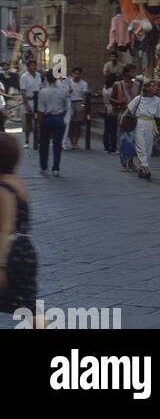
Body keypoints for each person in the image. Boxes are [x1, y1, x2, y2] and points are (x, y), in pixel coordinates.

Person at [0, 133, 39, 325]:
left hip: (12, 254)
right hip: (25, 250)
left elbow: (5, 229)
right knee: (29, 307)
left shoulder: (4, 188)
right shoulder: (17, 182)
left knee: (28, 309)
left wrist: (1, 267)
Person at [127, 80, 160, 182]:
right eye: (153, 86)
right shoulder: (139, 98)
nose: (155, 88)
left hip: (150, 124)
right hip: (139, 123)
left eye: (155, 86)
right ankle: (146, 168)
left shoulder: (157, 100)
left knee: (148, 148)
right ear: (147, 88)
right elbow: (128, 110)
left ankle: (141, 168)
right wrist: (123, 120)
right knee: (141, 146)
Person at [37, 71, 70, 177]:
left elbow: (41, 110)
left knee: (44, 144)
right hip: (59, 118)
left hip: (47, 118)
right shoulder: (63, 91)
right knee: (57, 145)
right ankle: (56, 168)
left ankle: (44, 167)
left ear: (47, 79)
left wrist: (39, 123)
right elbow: (66, 108)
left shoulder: (43, 92)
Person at [19, 59, 42, 149]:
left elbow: (40, 87)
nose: (34, 67)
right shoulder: (24, 76)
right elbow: (23, 92)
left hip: (38, 100)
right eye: (32, 65)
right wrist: (27, 105)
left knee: (38, 121)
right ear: (28, 67)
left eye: (35, 65)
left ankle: (39, 140)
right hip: (29, 100)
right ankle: (27, 141)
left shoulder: (38, 75)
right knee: (28, 122)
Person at [66, 67, 89, 149]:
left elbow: (84, 96)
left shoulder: (84, 84)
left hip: (79, 102)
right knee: (71, 124)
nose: (77, 75)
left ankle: (76, 142)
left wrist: (83, 105)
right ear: (72, 74)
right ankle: (72, 142)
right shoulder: (68, 82)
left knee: (77, 124)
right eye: (75, 73)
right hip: (70, 102)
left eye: (78, 74)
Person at [101, 73, 119, 153]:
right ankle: (113, 147)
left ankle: (106, 147)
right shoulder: (113, 89)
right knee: (113, 129)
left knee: (107, 129)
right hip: (113, 108)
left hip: (106, 107)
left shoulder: (104, 88)